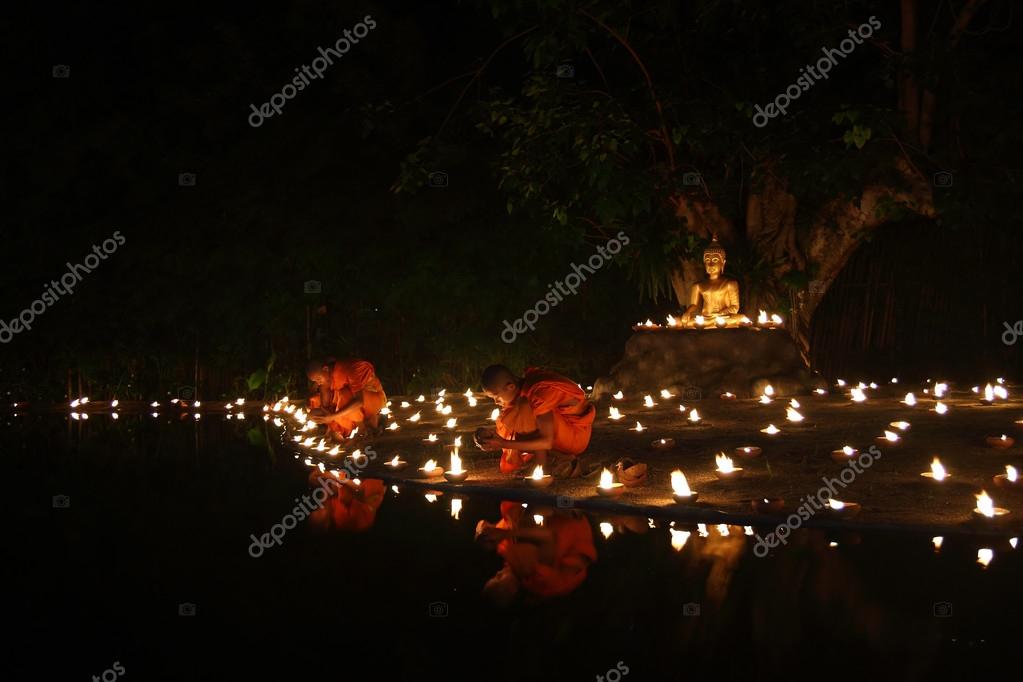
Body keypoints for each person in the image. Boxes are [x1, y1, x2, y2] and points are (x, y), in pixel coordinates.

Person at [477, 364, 595, 475]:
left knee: (523, 407)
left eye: (496, 396)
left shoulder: (538, 393)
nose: (496, 402)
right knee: (512, 423)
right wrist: (491, 436)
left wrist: (503, 443)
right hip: (561, 431)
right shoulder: (526, 386)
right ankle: (562, 458)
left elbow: (546, 441)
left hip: (575, 437)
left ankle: (541, 465)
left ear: (511, 387)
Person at [476, 501, 597, 605]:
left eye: (495, 575)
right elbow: (547, 536)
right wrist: (505, 534)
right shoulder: (533, 575)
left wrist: (483, 531)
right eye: (499, 578)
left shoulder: (512, 560)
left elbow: (495, 526)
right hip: (569, 514)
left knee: (516, 506)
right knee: (553, 503)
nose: (498, 572)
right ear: (511, 590)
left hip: (545, 511)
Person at [306, 357, 386, 438]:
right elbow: (325, 403)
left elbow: (359, 401)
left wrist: (333, 416)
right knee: (314, 402)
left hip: (371, 399)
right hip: (346, 401)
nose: (318, 383)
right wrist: (324, 414)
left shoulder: (353, 370)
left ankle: (362, 426)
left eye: (318, 379)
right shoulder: (326, 375)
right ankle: (346, 426)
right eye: (315, 381)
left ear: (326, 369)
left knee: (344, 394)